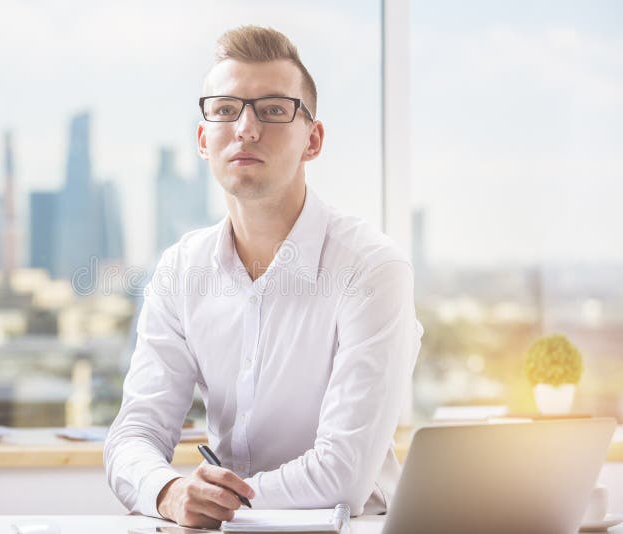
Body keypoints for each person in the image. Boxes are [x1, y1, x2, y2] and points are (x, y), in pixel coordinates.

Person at [104, 25, 423, 529]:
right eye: (226, 110)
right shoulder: (180, 270)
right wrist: (168, 491)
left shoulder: (372, 269)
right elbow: (133, 434)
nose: (246, 129)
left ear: (312, 140)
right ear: (203, 139)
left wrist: (218, 500)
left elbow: (342, 475)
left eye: (273, 110)